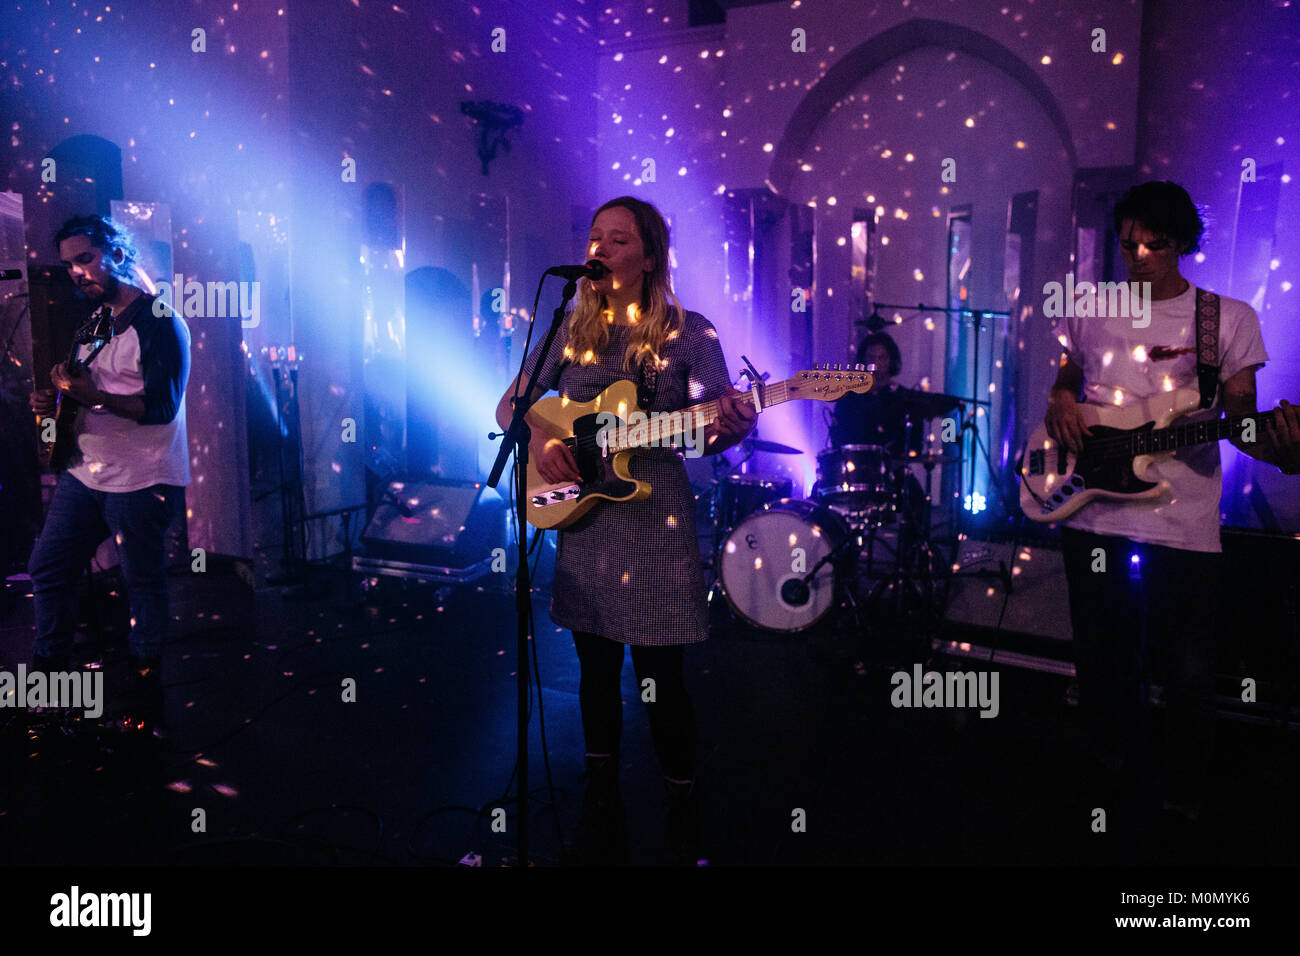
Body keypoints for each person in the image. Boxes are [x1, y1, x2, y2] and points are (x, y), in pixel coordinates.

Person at [494, 197, 756, 864]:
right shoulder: (568, 328)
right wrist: (540, 438)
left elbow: (708, 434)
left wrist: (730, 428)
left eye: (618, 240)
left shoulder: (689, 333)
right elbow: (511, 404)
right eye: (595, 237)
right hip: (587, 521)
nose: (602, 248)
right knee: (593, 667)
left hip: (655, 527)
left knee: (663, 678)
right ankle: (599, 791)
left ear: (648, 257)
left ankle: (681, 803)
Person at [1043, 181, 1293, 842]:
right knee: (1100, 659)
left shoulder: (1227, 320)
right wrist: (1062, 397)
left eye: (1153, 243)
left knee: (1186, 675)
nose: (1138, 255)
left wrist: (1277, 447)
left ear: (1182, 242)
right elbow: (1070, 367)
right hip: (1091, 512)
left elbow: (1239, 424)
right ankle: (1104, 776)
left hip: (1184, 523)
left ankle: (1183, 800)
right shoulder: (1090, 305)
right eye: (1128, 243)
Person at [27, 215, 190, 734]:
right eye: (69, 264)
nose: (77, 272)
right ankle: (49, 683)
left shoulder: (161, 319)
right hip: (85, 471)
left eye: (85, 259)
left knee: (143, 583)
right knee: (48, 569)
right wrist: (53, 398)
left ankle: (145, 687)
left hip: (143, 478)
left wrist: (91, 398)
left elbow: (162, 407)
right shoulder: (94, 318)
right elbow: (83, 385)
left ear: (116, 252)